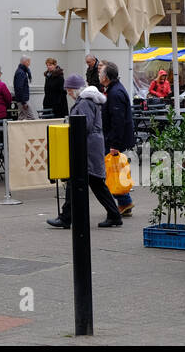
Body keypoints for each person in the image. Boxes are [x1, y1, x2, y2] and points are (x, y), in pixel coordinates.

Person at [47, 73, 122, 229]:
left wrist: (69, 130)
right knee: (95, 183)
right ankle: (114, 215)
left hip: (85, 148)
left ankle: (66, 218)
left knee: (74, 182)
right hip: (91, 147)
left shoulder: (84, 103)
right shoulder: (88, 101)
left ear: (75, 89)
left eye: (69, 89)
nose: (68, 93)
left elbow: (83, 126)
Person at [100, 61, 135, 217]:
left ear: (106, 77)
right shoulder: (114, 90)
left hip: (114, 140)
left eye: (101, 73)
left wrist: (114, 143)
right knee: (114, 170)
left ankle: (124, 201)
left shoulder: (115, 93)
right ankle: (124, 202)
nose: (98, 75)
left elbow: (118, 120)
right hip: (113, 138)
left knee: (113, 171)